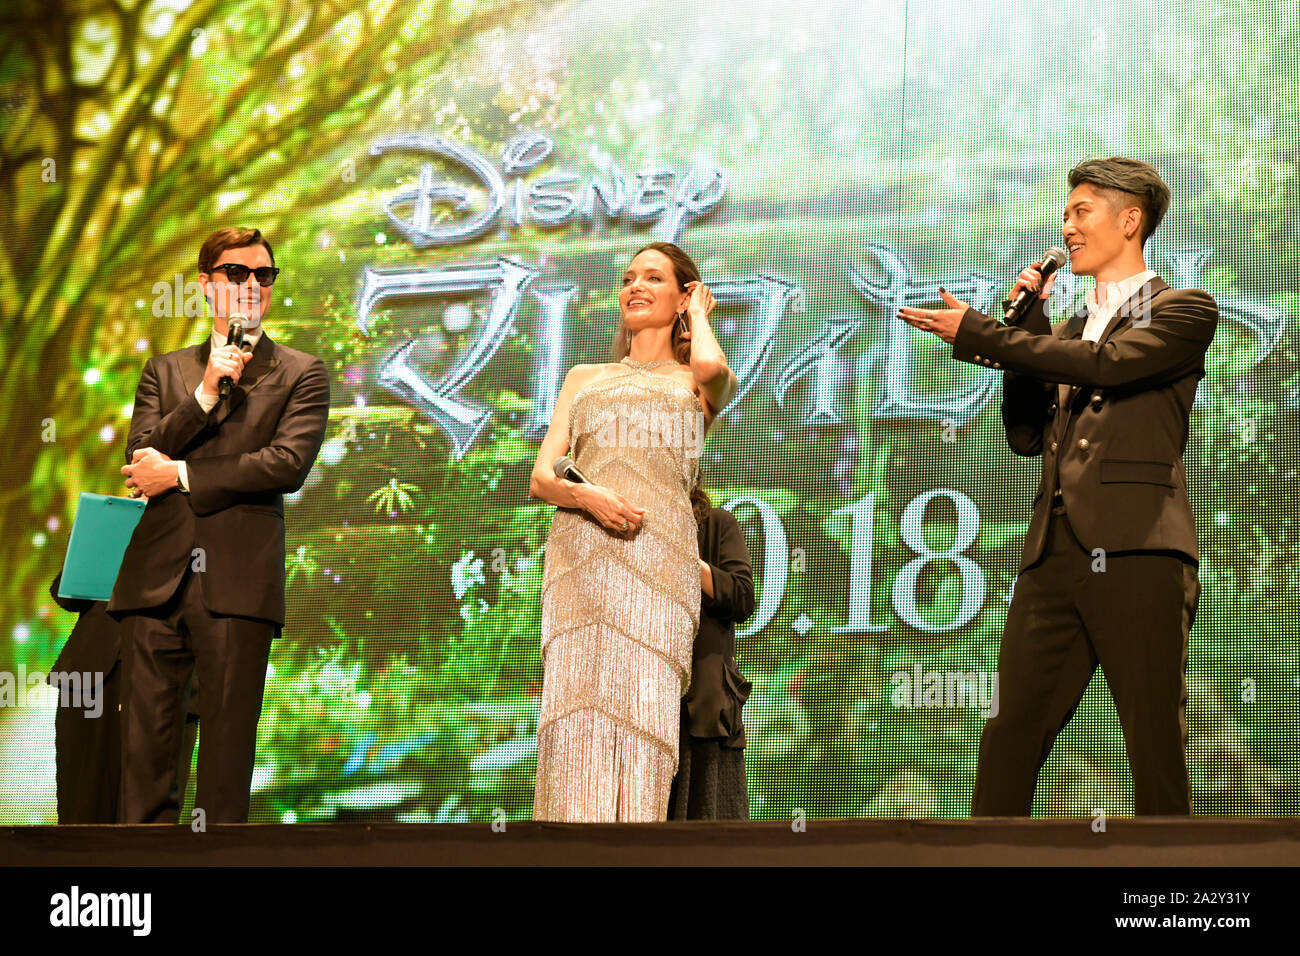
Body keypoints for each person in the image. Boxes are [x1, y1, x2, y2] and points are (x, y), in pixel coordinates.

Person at [898, 157, 1218, 816]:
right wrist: (1028, 328)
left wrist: (986, 335)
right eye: (1065, 213)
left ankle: (1172, 896)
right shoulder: (1068, 329)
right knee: (1011, 733)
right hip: (1054, 556)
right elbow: (1024, 433)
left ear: (1131, 220)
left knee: (1153, 741)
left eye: (1082, 211)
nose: (1067, 226)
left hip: (1139, 552)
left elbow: (1109, 365)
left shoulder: (1184, 310)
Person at [108, 227, 330, 824]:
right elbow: (140, 460)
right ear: (206, 284)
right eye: (237, 273)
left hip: (237, 584)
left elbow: (285, 464)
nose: (252, 285)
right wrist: (204, 394)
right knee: (145, 758)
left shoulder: (301, 372)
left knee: (226, 763)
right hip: (153, 584)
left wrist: (180, 473)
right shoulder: (167, 371)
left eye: (264, 275)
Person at [528, 241, 737, 821]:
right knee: (575, 716)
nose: (635, 287)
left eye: (653, 277)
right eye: (628, 279)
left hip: (658, 560)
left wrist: (700, 316)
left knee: (644, 720)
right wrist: (586, 495)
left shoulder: (696, 383)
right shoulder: (584, 377)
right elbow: (541, 478)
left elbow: (715, 370)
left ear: (683, 294)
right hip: (580, 560)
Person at [667, 475, 755, 820]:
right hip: (642, 709)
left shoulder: (717, 525)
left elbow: (742, 596)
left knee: (712, 833)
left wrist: (681, 551)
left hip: (702, 714)